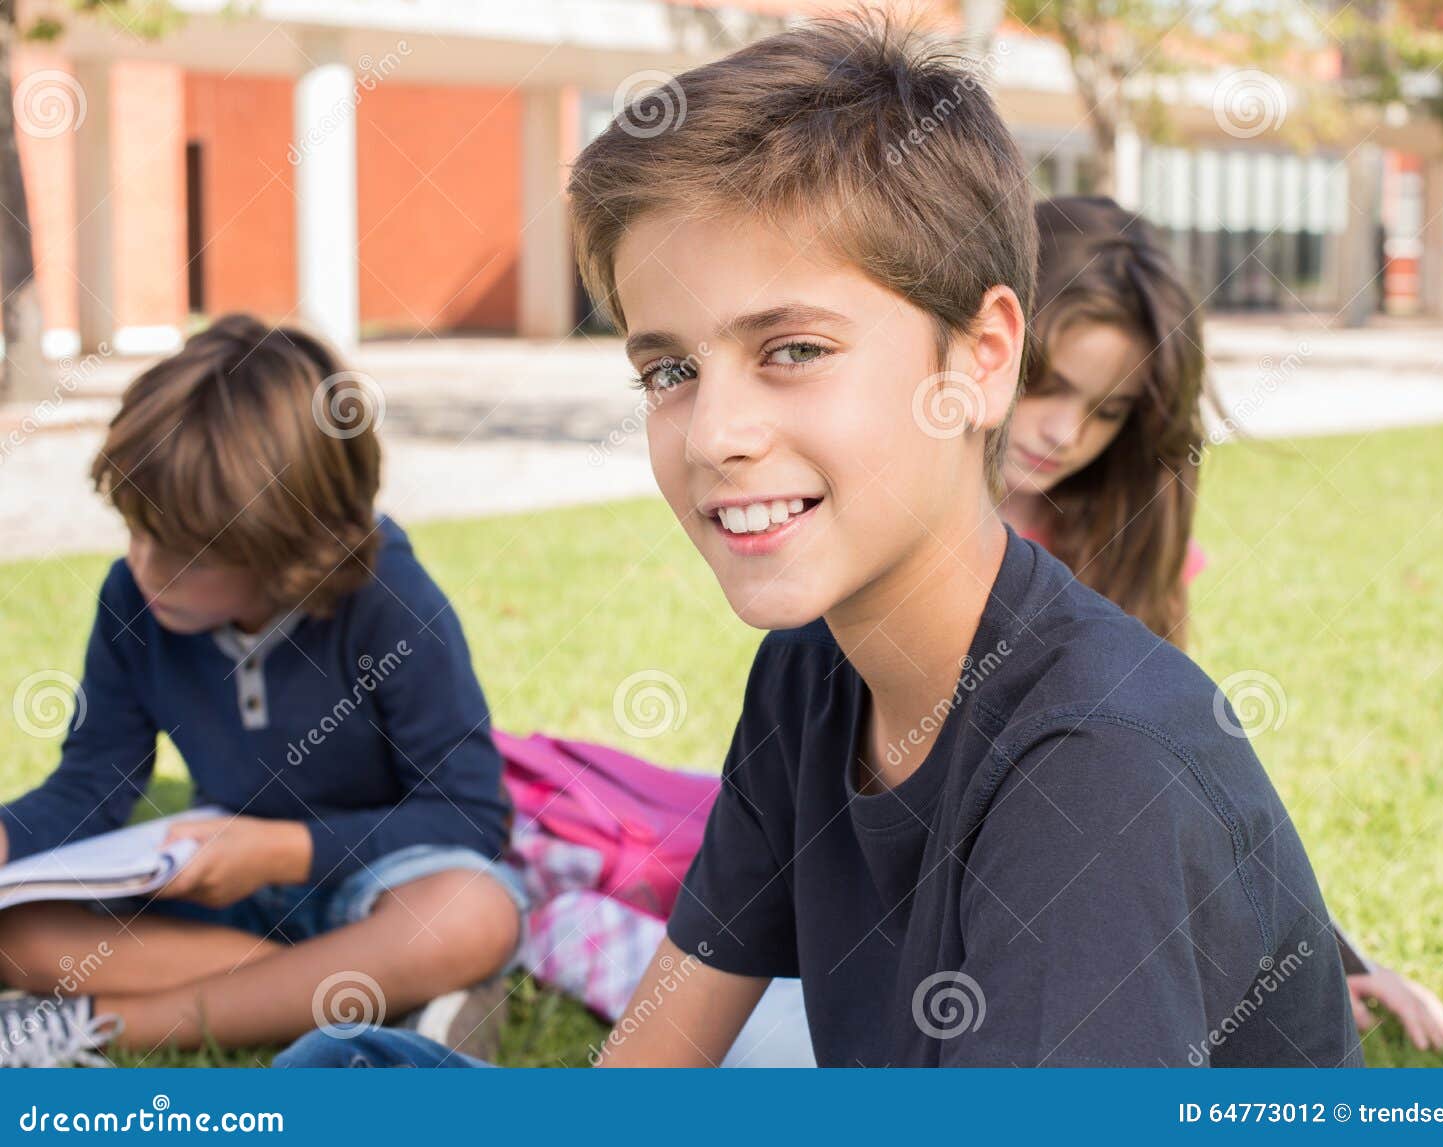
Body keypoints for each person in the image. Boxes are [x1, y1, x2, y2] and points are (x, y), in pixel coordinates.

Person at [276, 15, 1358, 1068]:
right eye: (668, 371)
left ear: (980, 361)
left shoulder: (1090, 773)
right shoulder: (809, 674)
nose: (713, 435)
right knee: (354, 1074)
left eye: (792, 348)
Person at [0, 315, 529, 1067]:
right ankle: (368, 994)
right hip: (219, 900)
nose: (144, 566)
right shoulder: (132, 600)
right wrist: (9, 838)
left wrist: (282, 850)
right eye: (134, 529)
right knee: (17, 933)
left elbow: (470, 816)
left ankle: (107, 1021)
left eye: (184, 553)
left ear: (287, 546)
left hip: (373, 885)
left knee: (472, 916)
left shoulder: (391, 601)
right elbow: (93, 782)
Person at [1000, 195, 1443, 1053]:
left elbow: (1179, 781)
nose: (1063, 432)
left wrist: (1321, 948)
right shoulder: (901, 525)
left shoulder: (1116, 545)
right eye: (1046, 385)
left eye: (1107, 410)